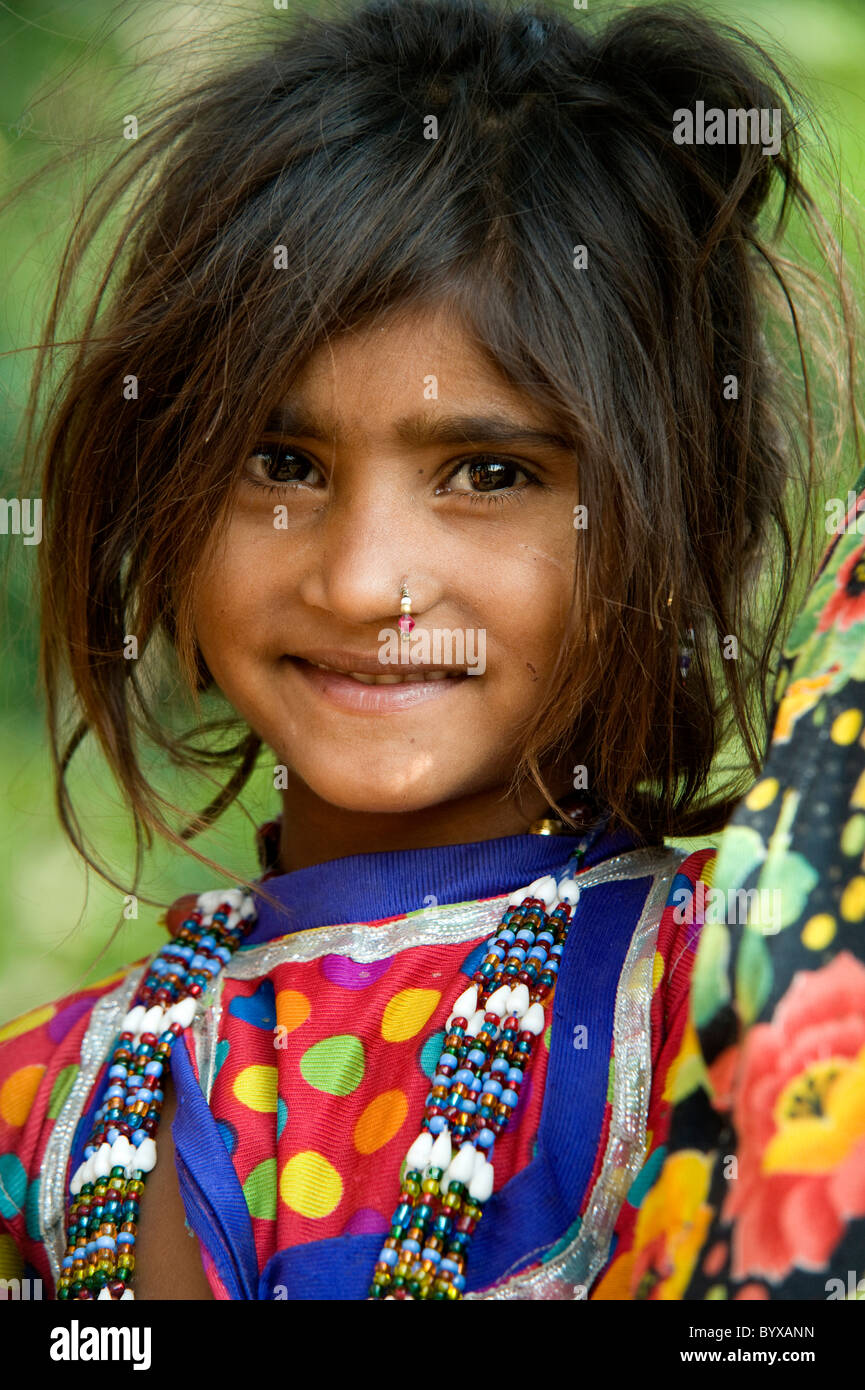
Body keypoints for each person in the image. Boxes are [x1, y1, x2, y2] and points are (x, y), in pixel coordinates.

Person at [0, 0, 856, 1300]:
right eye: (277, 462)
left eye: (487, 471)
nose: (358, 581)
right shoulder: (39, 1107)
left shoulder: (754, 1009)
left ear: (671, 511)